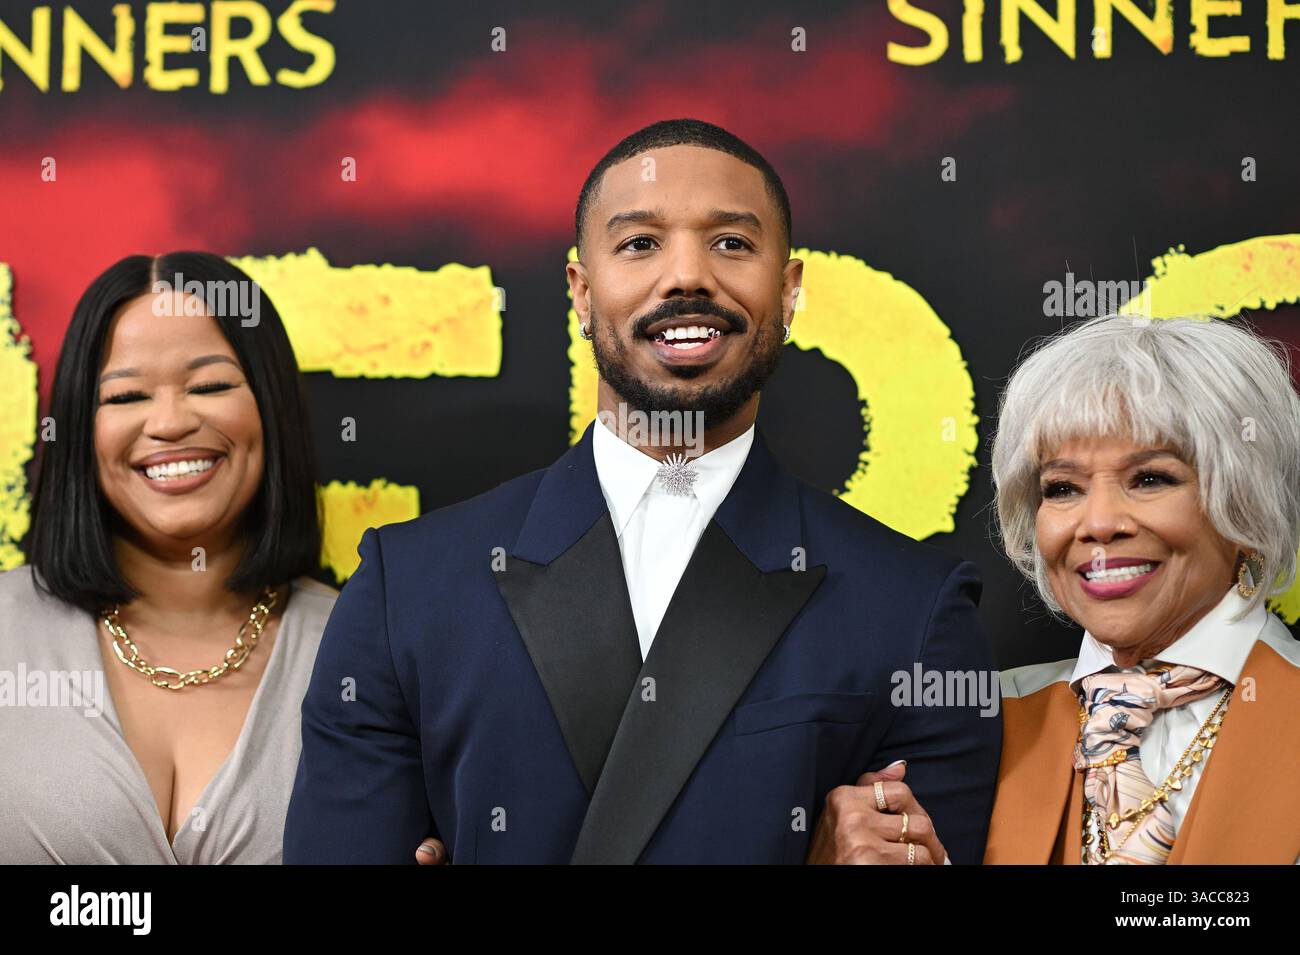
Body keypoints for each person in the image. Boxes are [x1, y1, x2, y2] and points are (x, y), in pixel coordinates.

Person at [285, 118, 1000, 865]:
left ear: (788, 293)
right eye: (639, 243)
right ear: (581, 292)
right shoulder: (410, 588)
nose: (687, 275)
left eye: (731, 243)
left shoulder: (913, 612)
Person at [0, 251, 337, 864]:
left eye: (209, 385)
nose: (170, 422)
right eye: (126, 395)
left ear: (270, 406)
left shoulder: (366, 647)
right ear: (80, 427)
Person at [984, 314, 1300, 864]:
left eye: (1150, 478)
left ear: (1247, 501)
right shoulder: (980, 719)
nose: (1100, 522)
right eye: (1062, 488)